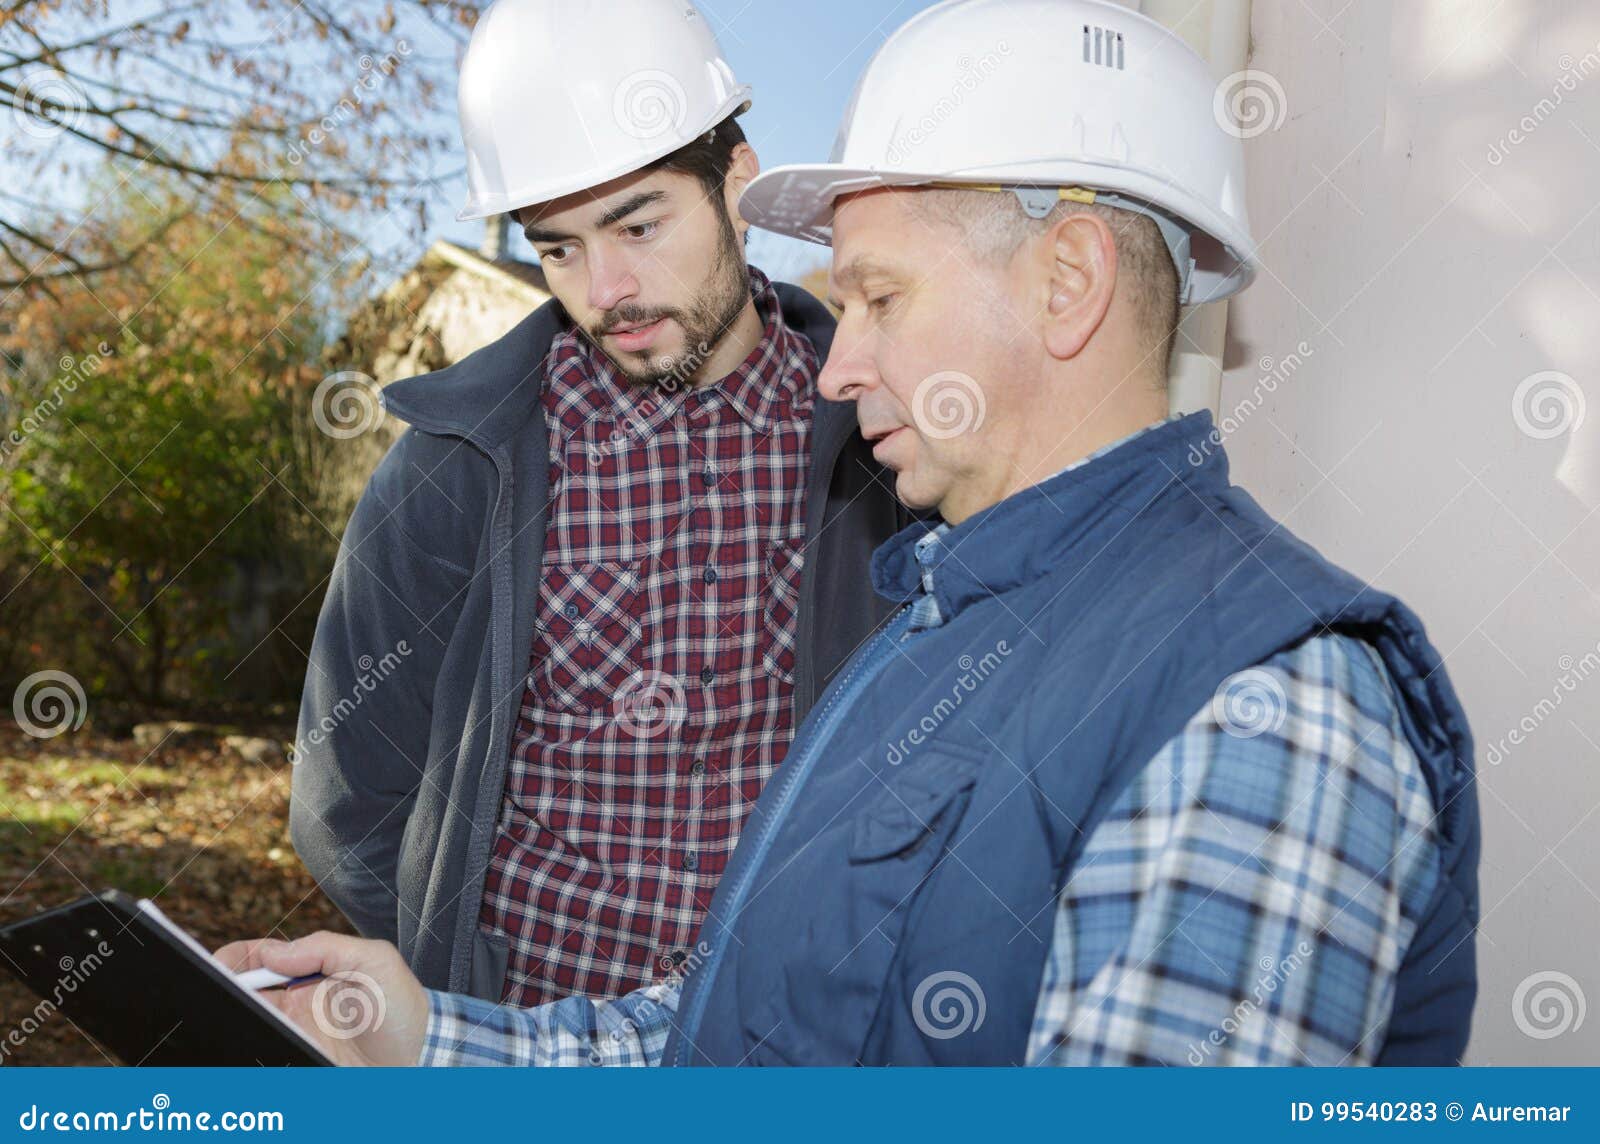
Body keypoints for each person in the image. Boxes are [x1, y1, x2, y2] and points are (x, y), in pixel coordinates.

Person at [234, 0, 1480, 1066]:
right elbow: (752, 1028)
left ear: (1068, 281)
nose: (844, 368)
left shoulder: (1265, 704)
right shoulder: (939, 623)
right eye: (559, 246)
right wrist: (433, 1030)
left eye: (879, 296)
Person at [288, 0, 909, 1011]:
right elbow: (346, 791)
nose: (606, 287)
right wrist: (457, 989)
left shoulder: (886, 444)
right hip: (518, 1052)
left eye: (638, 224)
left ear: (736, 181)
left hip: (789, 1048)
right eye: (558, 247)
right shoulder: (454, 470)